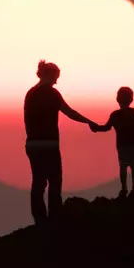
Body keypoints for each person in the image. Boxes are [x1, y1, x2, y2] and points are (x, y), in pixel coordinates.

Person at [24, 60, 97, 224]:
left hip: (32, 144)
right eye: (56, 77)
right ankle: (54, 217)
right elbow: (70, 112)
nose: (56, 81)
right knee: (55, 181)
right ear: (49, 75)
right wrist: (89, 122)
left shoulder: (30, 93)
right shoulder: (51, 93)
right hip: (48, 145)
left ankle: (40, 220)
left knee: (38, 182)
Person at [91, 86, 134, 197]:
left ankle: (124, 189)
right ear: (131, 99)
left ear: (118, 99)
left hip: (122, 145)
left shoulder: (115, 115)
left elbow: (106, 128)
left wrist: (96, 128)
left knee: (123, 166)